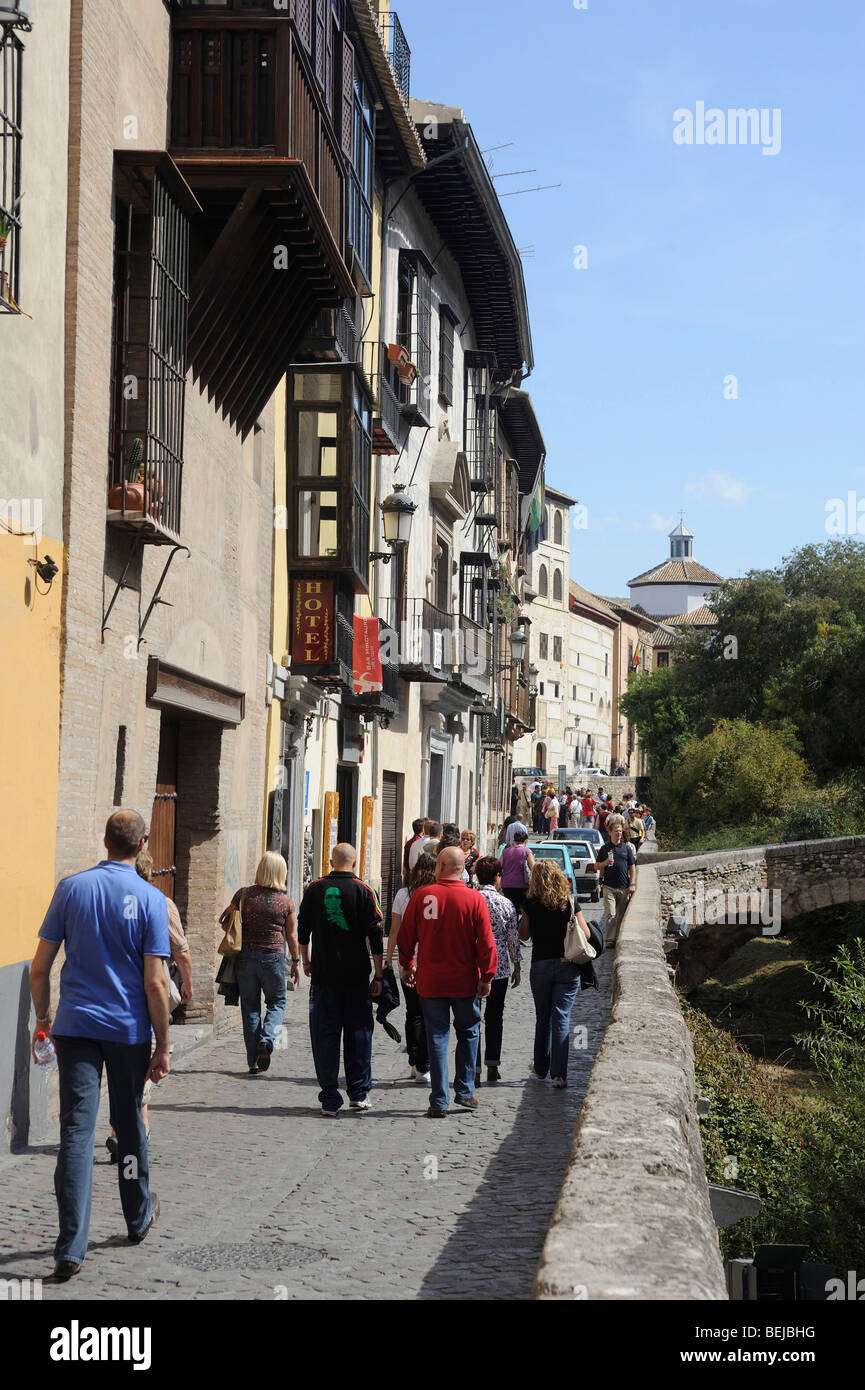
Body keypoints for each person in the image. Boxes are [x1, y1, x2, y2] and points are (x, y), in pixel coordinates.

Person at [29, 810, 169, 1280]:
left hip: (76, 1027)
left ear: (104, 840)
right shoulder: (150, 899)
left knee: (75, 1133)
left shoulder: (71, 888)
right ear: (143, 843)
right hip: (128, 1032)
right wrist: (163, 1043)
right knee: (128, 1127)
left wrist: (44, 1017)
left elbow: (39, 966)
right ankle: (136, 1218)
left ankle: (70, 1245)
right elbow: (155, 983)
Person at [105, 850, 194, 1159]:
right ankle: (133, 1131)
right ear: (151, 874)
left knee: (122, 1065)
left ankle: (127, 1129)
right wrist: (188, 984)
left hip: (111, 994)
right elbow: (181, 952)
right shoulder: (159, 903)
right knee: (140, 1061)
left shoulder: (109, 900)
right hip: (146, 995)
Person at [397, 846, 497, 1118]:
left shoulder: (421, 896)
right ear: (461, 868)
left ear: (440, 867)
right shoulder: (473, 899)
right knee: (468, 1032)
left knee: (437, 1037)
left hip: (430, 982)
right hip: (464, 981)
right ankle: (464, 1091)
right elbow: (487, 943)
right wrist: (487, 976)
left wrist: (407, 966)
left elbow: (405, 938)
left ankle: (439, 1100)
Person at [297, 843, 383, 1115]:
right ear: (355, 863)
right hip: (356, 977)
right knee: (359, 1035)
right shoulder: (365, 891)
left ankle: (330, 1099)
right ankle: (358, 1093)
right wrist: (379, 973)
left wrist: (306, 959)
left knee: (325, 1037)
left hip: (324, 977)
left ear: (331, 860)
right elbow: (376, 935)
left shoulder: (314, 889)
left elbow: (302, 930)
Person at [222, 852, 299, 1075]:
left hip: (245, 958)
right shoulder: (285, 902)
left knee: (250, 1007)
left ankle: (253, 1061)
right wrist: (295, 961)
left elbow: (227, 922)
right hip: (273, 958)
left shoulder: (243, 895)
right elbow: (292, 936)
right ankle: (267, 1040)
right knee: (277, 1003)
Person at [519, 859, 590, 1087]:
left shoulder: (530, 903)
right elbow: (586, 934)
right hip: (567, 964)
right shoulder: (569, 902)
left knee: (543, 1018)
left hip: (540, 965)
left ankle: (541, 1068)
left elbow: (524, 936)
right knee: (561, 1018)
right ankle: (559, 1075)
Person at [384, 854, 434, 1084]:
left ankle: (414, 1061)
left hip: (408, 960)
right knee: (429, 1013)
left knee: (412, 1011)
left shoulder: (403, 895)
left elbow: (393, 930)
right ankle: (424, 1064)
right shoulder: (435, 895)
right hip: (431, 961)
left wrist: (388, 959)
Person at [474, 856, 521, 1084]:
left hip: (472, 967)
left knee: (472, 1019)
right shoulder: (505, 903)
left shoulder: (470, 899)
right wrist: (517, 965)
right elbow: (513, 938)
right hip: (499, 968)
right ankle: (492, 1065)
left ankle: (474, 1069)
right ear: (497, 877)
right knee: (495, 1017)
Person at [591, 813, 637, 949]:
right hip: (609, 886)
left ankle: (618, 938)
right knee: (611, 914)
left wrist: (632, 884)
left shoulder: (626, 848)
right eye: (616, 831)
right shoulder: (605, 849)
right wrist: (605, 862)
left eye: (620, 831)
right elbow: (596, 866)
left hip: (624, 886)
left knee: (621, 915)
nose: (618, 833)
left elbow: (632, 867)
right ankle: (610, 939)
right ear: (610, 832)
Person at [500, 829, 534, 919]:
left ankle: (511, 928)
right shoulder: (527, 851)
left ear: (514, 840)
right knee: (524, 912)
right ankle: (520, 930)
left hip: (507, 886)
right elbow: (533, 867)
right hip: (522, 886)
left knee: (511, 910)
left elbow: (499, 866)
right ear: (526, 841)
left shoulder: (506, 851)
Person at [403, 818, 426, 884]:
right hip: (416, 875)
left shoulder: (409, 842)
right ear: (423, 829)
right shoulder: (419, 842)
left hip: (409, 873)